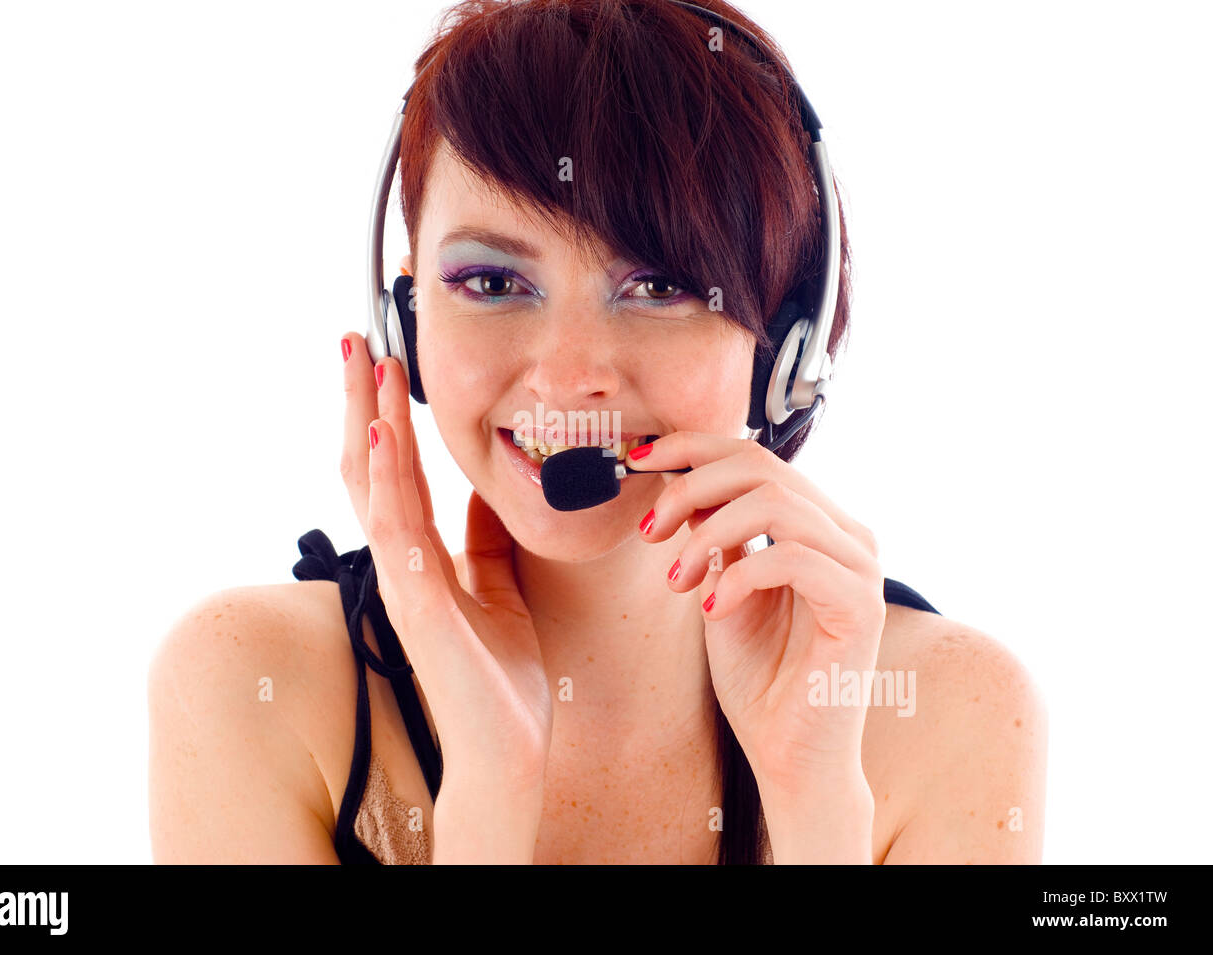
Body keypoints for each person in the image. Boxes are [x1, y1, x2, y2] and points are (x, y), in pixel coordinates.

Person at [148, 0, 1047, 864]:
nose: (567, 373)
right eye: (493, 282)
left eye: (658, 285)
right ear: (404, 318)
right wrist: (491, 785)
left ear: (783, 346)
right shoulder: (246, 686)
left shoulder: (951, 715)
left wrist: (814, 801)